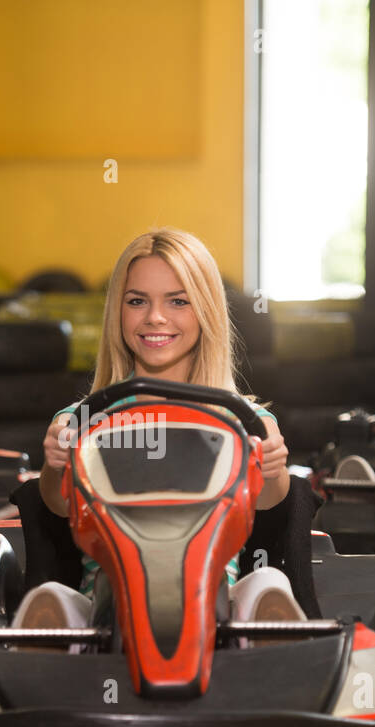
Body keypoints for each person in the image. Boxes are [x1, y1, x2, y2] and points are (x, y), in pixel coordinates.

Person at [15, 228, 299, 631]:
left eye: (178, 301)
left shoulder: (244, 421)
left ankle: (271, 658)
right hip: (109, 605)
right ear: (118, 311)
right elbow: (57, 504)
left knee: (268, 582)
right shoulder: (80, 419)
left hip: (217, 604)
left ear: (205, 310)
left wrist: (271, 466)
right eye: (137, 302)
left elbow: (272, 500)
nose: (155, 318)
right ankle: (54, 651)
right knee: (52, 597)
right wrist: (57, 464)